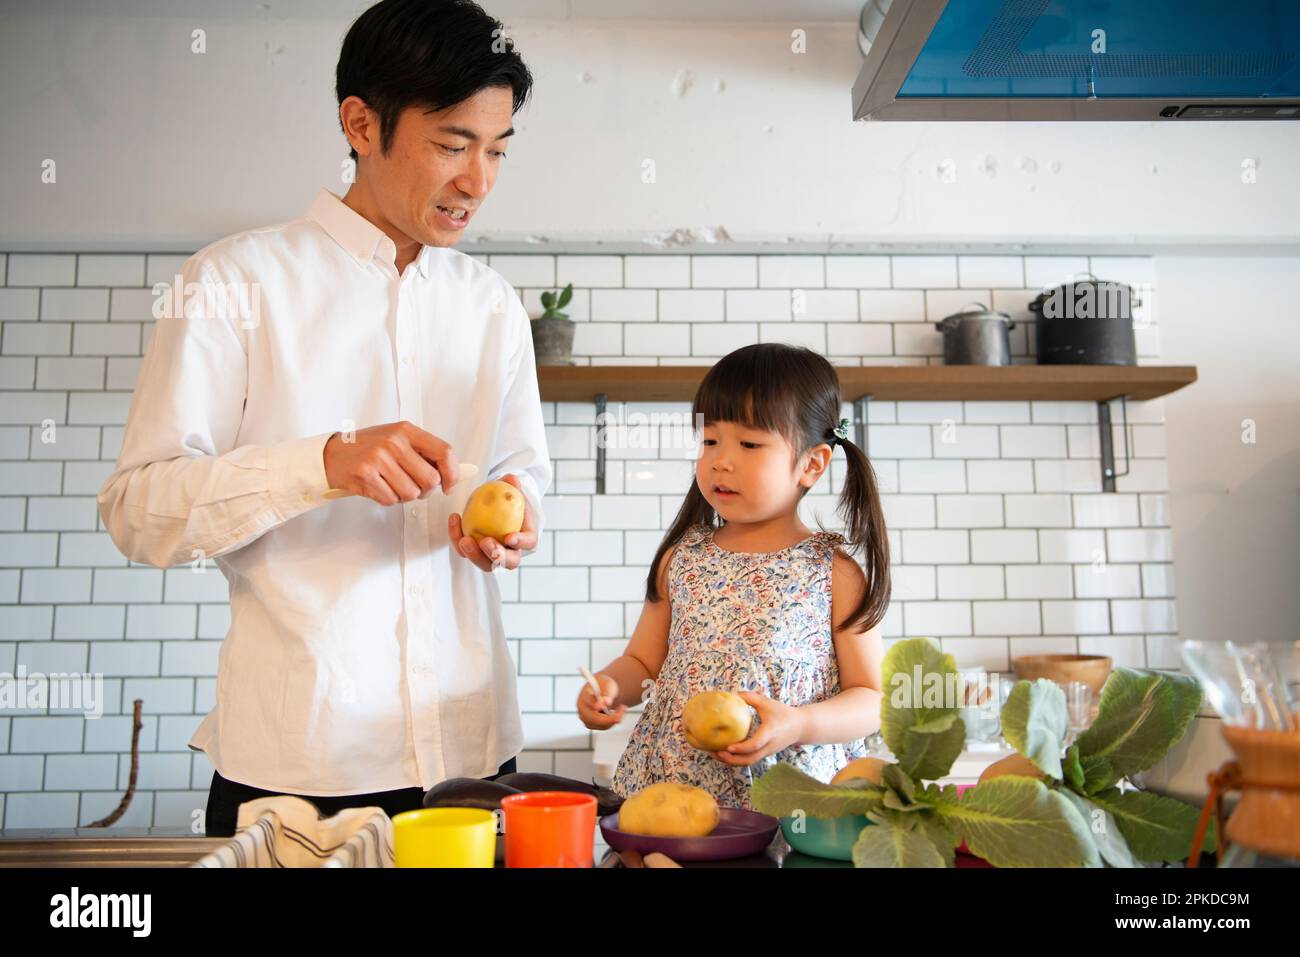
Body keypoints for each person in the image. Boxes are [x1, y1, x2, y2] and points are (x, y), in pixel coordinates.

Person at [96, 0, 551, 837]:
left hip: (473, 763)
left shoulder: (491, 306)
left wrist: (512, 519)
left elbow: (521, 476)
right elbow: (137, 511)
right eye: (452, 144)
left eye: (497, 150)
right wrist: (323, 464)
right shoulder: (235, 280)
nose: (478, 181)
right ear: (361, 124)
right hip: (298, 773)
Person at [577, 344, 891, 809]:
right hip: (673, 794)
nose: (721, 460)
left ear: (811, 464)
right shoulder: (681, 560)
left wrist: (799, 724)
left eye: (748, 444)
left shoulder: (834, 573)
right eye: (709, 441)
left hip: (790, 803)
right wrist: (607, 687)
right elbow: (642, 664)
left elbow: (869, 699)